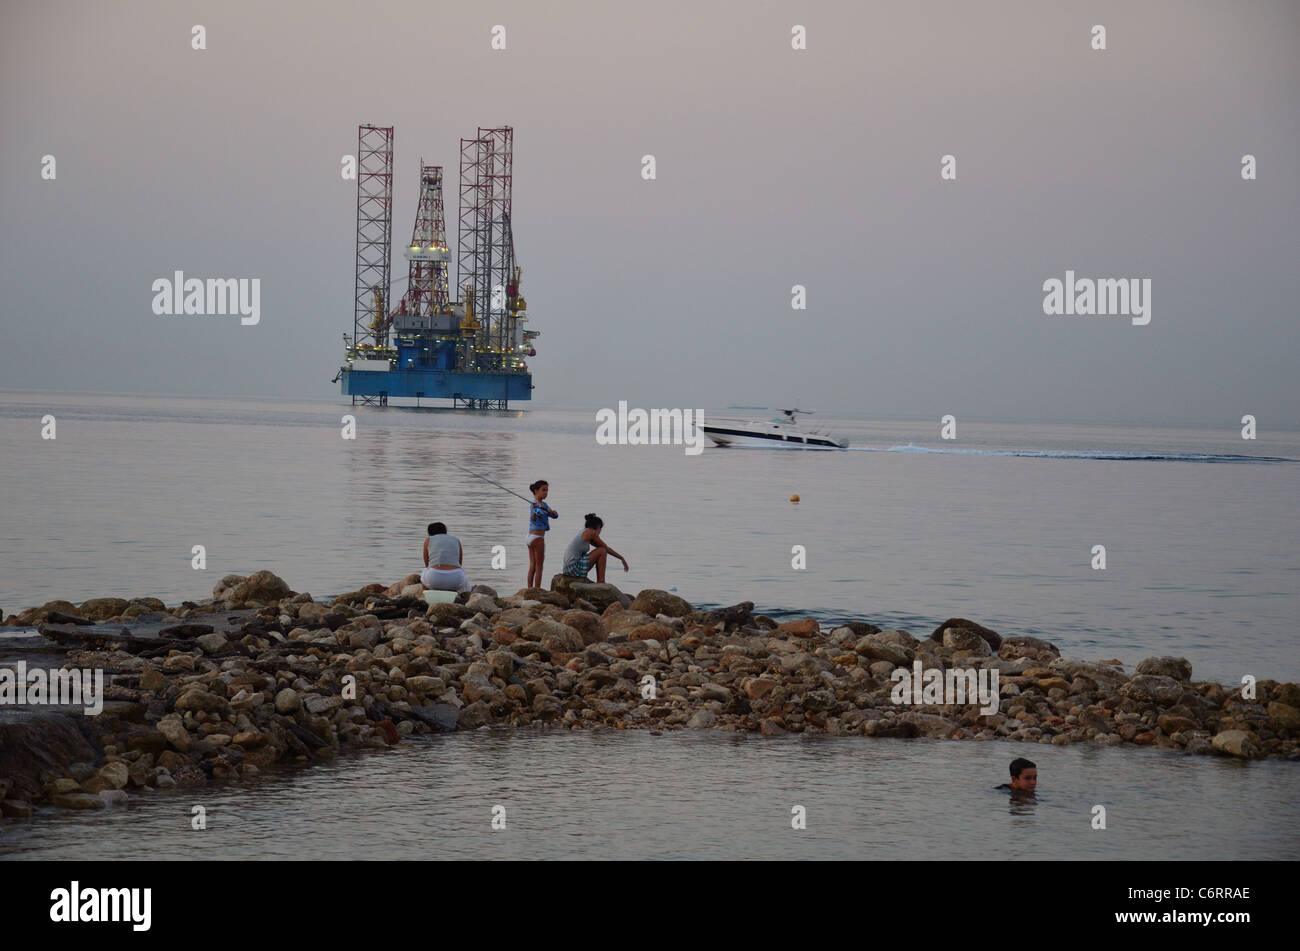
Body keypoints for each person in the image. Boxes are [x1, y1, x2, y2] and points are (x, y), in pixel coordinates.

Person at [562, 513, 628, 583]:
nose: (600, 531)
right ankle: (601, 581)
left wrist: (621, 558)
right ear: (598, 527)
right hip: (573, 569)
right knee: (602, 551)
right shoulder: (591, 533)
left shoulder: (585, 532)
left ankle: (600, 581)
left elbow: (605, 548)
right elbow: (605, 548)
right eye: (600, 529)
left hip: (567, 569)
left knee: (601, 550)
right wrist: (621, 558)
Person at [421, 522, 470, 593]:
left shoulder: (428, 540)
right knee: (463, 577)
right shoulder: (456, 540)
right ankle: (461, 597)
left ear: (429, 532)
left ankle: (425, 596)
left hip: (434, 578)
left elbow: (427, 564)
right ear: (445, 530)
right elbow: (459, 563)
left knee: (424, 571)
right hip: (456, 578)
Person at [526, 479, 558, 588]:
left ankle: (530, 589)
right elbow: (533, 517)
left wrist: (546, 509)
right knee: (539, 566)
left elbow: (555, 515)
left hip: (530, 537)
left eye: (547, 490)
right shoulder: (533, 504)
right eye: (543, 490)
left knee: (533, 566)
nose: (545, 493)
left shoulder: (544, 504)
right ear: (536, 490)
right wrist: (537, 512)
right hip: (537, 537)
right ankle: (536, 589)